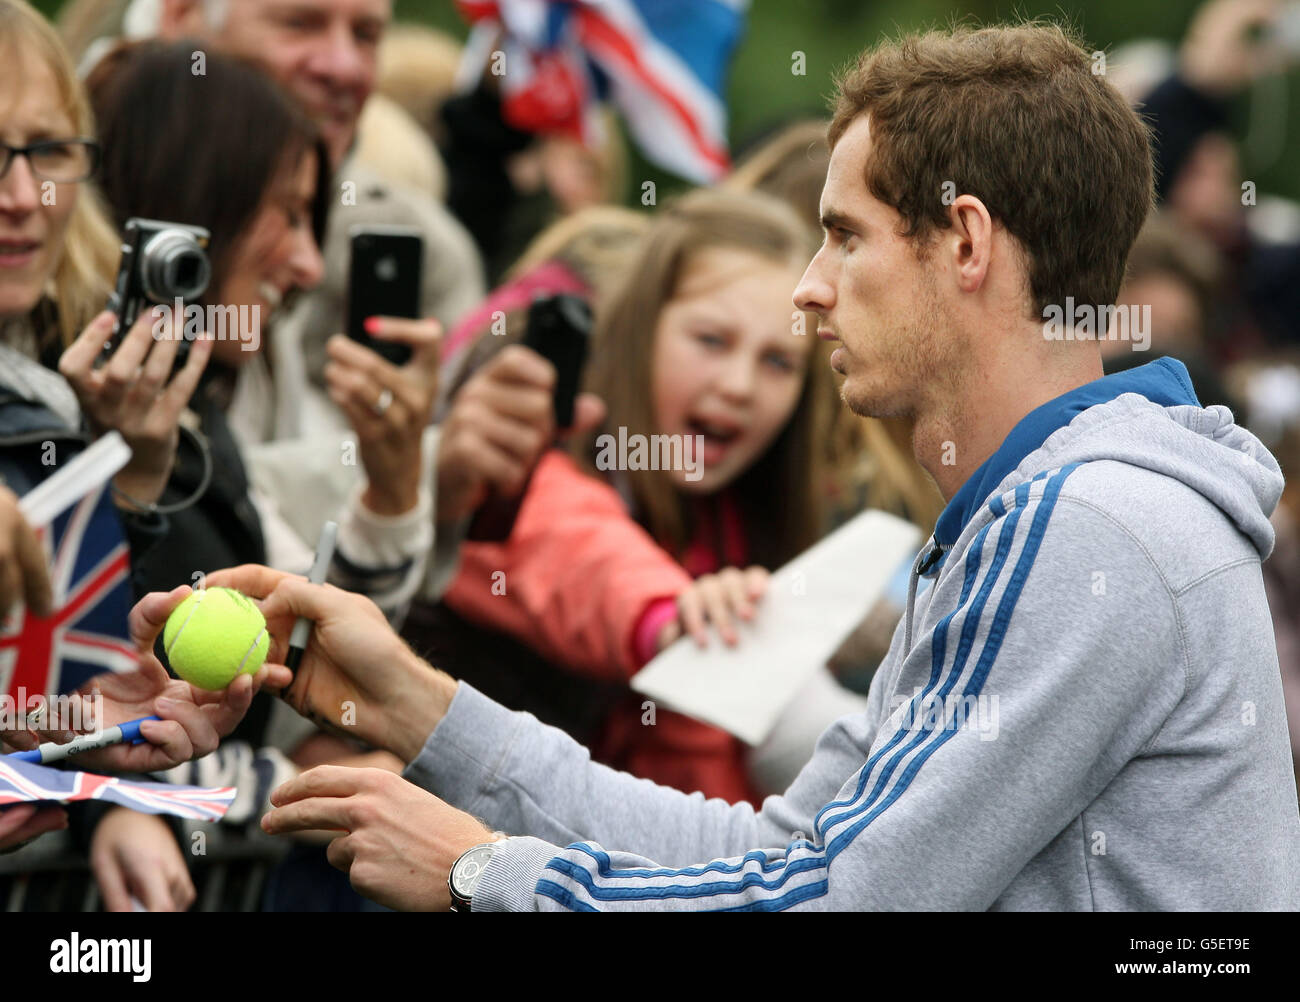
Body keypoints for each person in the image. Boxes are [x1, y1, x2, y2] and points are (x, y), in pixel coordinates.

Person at [202, 21, 1300, 911]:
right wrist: (423, 707)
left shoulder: (1081, 523)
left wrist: (481, 874)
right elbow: (782, 851)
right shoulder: (1046, 509)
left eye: (846, 235)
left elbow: (835, 904)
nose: (809, 287)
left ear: (965, 243)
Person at [435, 189, 830, 804]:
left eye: (779, 361)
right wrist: (676, 615)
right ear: (642, 328)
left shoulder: (733, 520)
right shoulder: (540, 442)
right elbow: (569, 544)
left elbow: (689, 770)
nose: (739, 385)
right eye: (711, 340)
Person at [0, 0, 282, 859]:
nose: (23, 197)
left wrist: (85, 770)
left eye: (50, 150)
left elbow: (38, 706)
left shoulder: (80, 377)